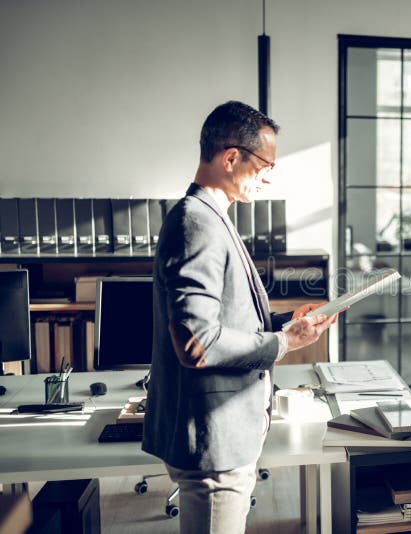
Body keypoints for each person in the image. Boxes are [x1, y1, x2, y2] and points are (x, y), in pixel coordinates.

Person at [142, 101, 339, 534]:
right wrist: (285, 343)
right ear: (231, 157)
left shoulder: (212, 217)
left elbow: (224, 316)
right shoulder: (197, 223)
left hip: (225, 434)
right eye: (266, 164)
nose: (269, 176)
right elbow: (197, 342)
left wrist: (285, 322)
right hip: (213, 439)